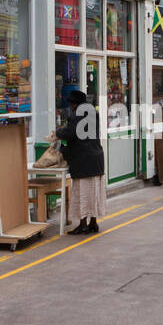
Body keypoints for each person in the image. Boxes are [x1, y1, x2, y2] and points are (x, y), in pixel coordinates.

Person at [51, 89, 106, 234]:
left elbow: (70, 133)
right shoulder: (93, 113)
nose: (70, 106)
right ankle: (93, 223)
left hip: (84, 161)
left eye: (70, 103)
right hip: (96, 158)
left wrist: (57, 133)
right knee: (93, 193)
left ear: (74, 103)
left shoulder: (78, 115)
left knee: (82, 194)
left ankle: (83, 224)